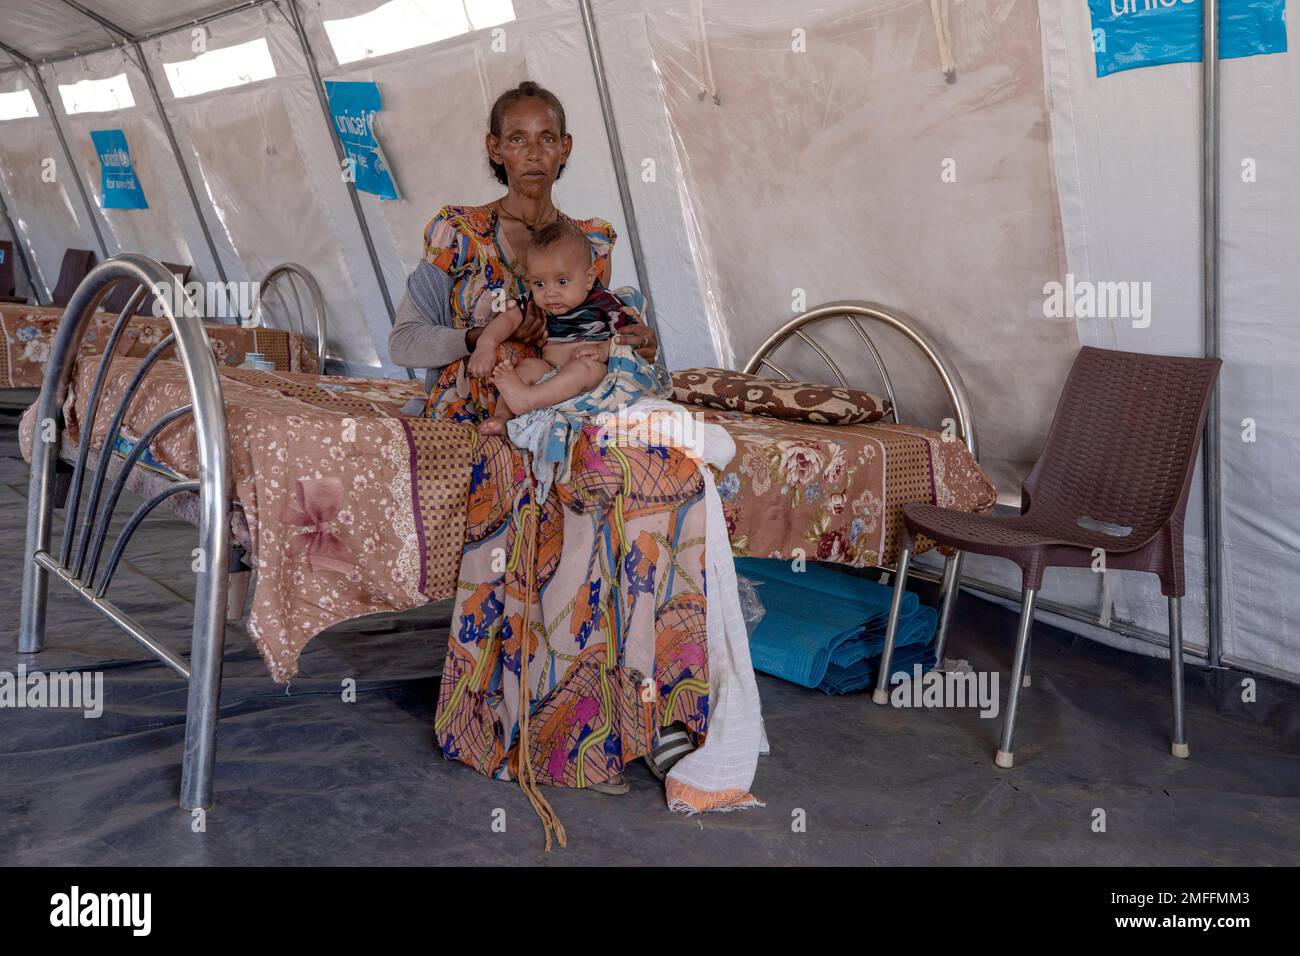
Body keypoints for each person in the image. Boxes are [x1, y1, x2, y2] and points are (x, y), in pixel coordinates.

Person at [387, 81, 701, 812]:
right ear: (495, 149)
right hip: (481, 411)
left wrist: (636, 336)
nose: (533, 151)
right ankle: (531, 720)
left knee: (658, 485)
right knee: (563, 503)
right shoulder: (456, 232)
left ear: (566, 149)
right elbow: (403, 340)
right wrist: (481, 339)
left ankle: (647, 714)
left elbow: (597, 333)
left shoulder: (590, 241)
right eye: (517, 138)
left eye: (547, 136)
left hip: (567, 409)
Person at [474, 219, 640, 437]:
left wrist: (601, 350)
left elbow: (630, 336)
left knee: (584, 367)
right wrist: (486, 343)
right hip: (551, 374)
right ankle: (504, 418)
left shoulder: (605, 303)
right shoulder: (536, 302)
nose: (549, 293)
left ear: (589, 279)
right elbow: (509, 317)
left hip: (594, 382)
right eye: (539, 284)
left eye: (562, 281)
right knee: (528, 367)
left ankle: (527, 400)